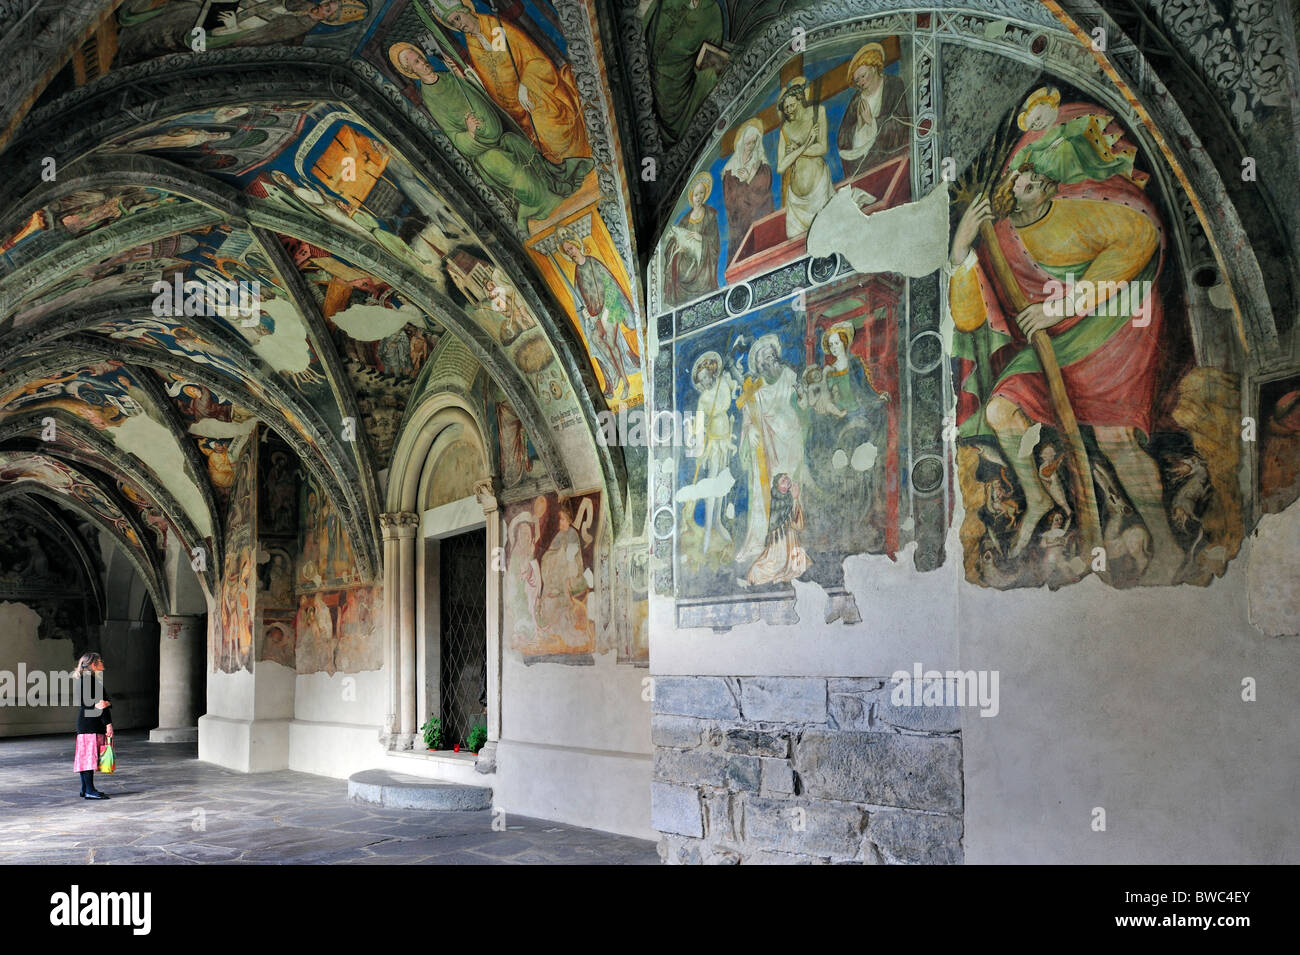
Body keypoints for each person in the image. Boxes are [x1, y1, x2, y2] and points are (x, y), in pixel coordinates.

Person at [948, 160, 1182, 583]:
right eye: (1022, 176)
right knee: (1001, 410)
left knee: (1114, 438)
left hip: (1114, 321)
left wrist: (1058, 307)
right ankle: (1037, 499)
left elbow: (1140, 237)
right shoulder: (997, 239)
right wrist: (959, 249)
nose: (1033, 182)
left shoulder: (1073, 213)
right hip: (1049, 342)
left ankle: (1165, 544)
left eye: (1040, 178)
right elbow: (966, 318)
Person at [388, 42, 593, 230]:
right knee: (518, 175)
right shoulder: (430, 96)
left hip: (500, 137)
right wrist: (470, 132)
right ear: (410, 70)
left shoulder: (447, 77)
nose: (422, 62)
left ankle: (554, 190)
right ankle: (550, 204)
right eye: (416, 62)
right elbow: (453, 136)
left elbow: (477, 94)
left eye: (420, 57)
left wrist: (462, 75)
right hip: (483, 153)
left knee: (525, 150)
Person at [435, 0, 590, 163]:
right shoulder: (473, 45)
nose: (459, 25)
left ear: (466, 11)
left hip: (537, 90)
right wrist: (464, 74)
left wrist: (525, 85)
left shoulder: (494, 28)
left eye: (458, 18)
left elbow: (533, 59)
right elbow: (488, 78)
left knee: (554, 136)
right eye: (453, 23)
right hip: (515, 111)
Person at [559, 236, 639, 400]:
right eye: (567, 252)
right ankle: (615, 371)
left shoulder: (593, 262)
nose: (570, 253)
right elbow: (581, 297)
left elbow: (610, 285)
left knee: (611, 341)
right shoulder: (577, 272)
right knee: (595, 338)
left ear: (577, 246)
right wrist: (586, 312)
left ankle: (626, 382)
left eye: (571, 249)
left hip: (611, 308)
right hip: (595, 313)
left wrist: (606, 312)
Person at [837, 42, 911, 180]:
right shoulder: (856, 101)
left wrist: (872, 121)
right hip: (859, 159)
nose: (861, 82)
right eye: (857, 80)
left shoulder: (893, 85)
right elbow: (842, 138)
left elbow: (902, 122)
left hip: (887, 155)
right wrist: (858, 126)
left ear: (874, 67)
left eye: (863, 76)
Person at [776, 78, 833, 238]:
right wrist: (806, 144)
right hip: (795, 201)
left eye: (791, 105)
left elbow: (822, 147)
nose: (789, 110)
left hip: (818, 190)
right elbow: (780, 167)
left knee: (826, 235)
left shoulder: (817, 112)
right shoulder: (785, 130)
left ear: (800, 99)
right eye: (785, 108)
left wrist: (796, 152)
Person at [662, 172, 721, 306]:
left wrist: (701, 238)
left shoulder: (710, 216)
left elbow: (715, 243)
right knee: (677, 263)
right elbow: (673, 239)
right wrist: (678, 247)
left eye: (701, 193)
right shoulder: (685, 219)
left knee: (703, 273)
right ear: (691, 196)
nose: (699, 197)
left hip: (703, 261)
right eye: (696, 194)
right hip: (685, 259)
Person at [721, 119, 774, 262]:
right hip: (738, 221)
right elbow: (729, 198)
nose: (750, 146)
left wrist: (749, 178)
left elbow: (764, 189)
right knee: (740, 250)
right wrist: (742, 181)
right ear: (742, 143)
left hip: (757, 215)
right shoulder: (730, 168)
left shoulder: (761, 164)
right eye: (748, 142)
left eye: (754, 142)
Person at [73, 652, 112, 800]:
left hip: (87, 723)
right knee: (89, 757)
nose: (103, 663)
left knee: (86, 756)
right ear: (93, 664)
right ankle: (89, 789)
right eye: (100, 661)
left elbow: (102, 702)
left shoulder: (87, 680)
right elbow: (99, 704)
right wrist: (108, 724)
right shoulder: (90, 682)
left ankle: (86, 788)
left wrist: (106, 703)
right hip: (91, 723)